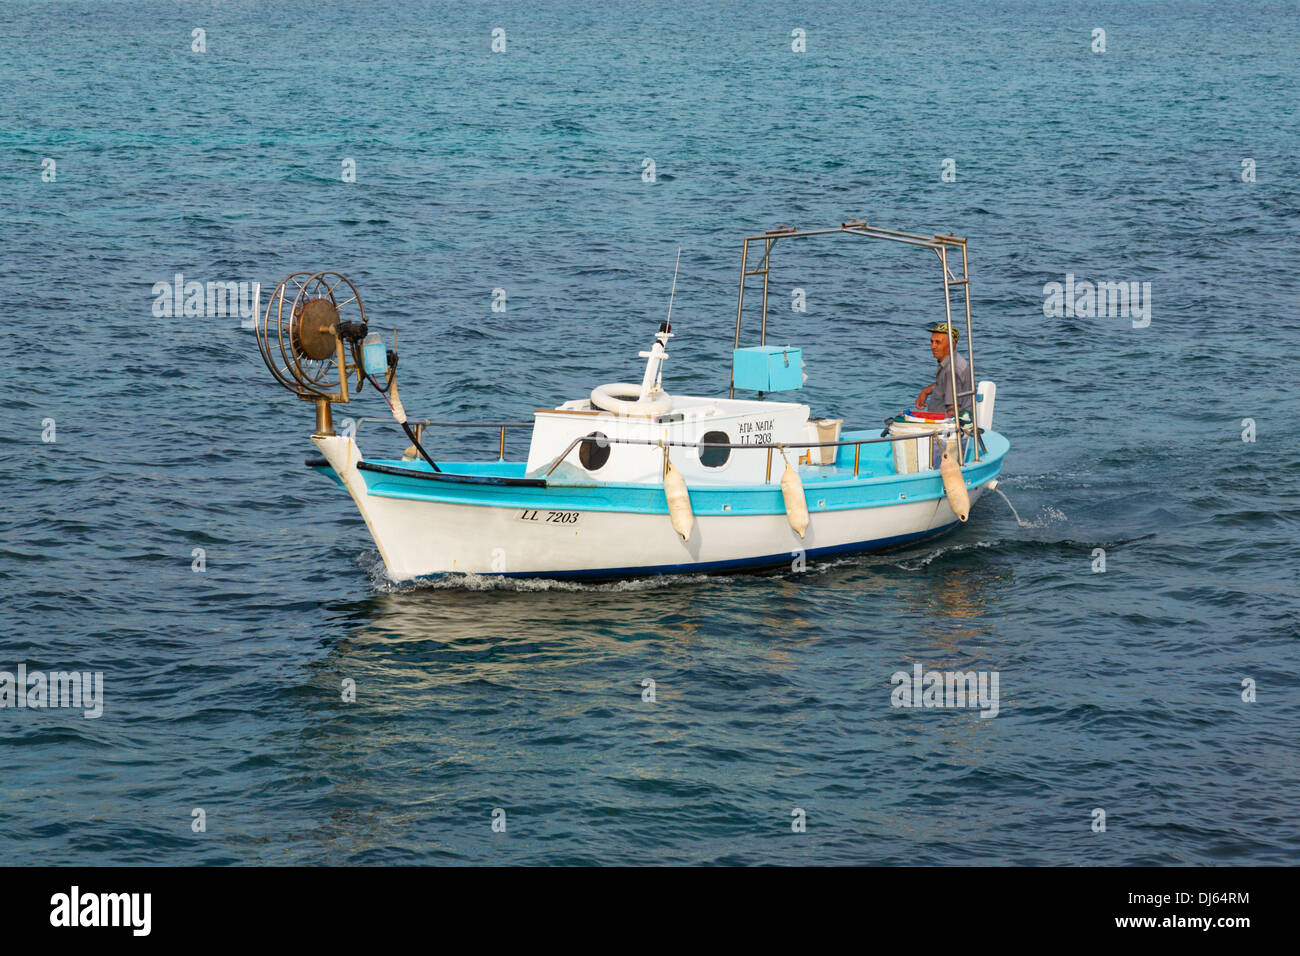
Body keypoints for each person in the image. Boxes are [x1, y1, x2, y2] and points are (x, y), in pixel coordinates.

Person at [915, 322, 972, 417]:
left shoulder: (951, 370)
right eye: (932, 341)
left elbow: (952, 411)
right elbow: (944, 384)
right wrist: (926, 391)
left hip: (946, 426)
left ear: (952, 345)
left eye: (938, 342)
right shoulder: (952, 361)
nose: (933, 346)